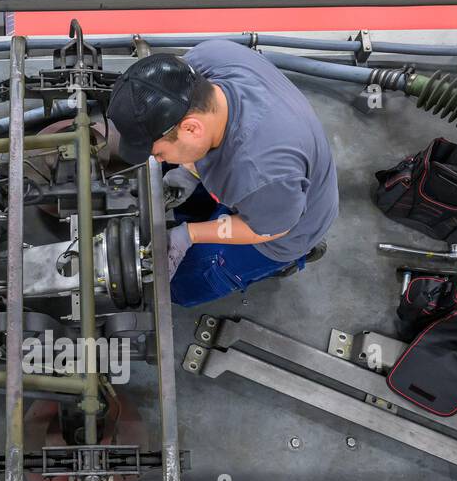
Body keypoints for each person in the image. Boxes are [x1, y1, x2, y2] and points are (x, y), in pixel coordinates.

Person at [107, 40, 338, 307]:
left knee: (186, 283)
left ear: (192, 129)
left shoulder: (260, 174)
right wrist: (189, 171)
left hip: (282, 227)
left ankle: (289, 260)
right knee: (191, 188)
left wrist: (188, 235)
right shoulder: (209, 57)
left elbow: (267, 230)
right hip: (269, 187)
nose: (156, 159)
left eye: (158, 153)